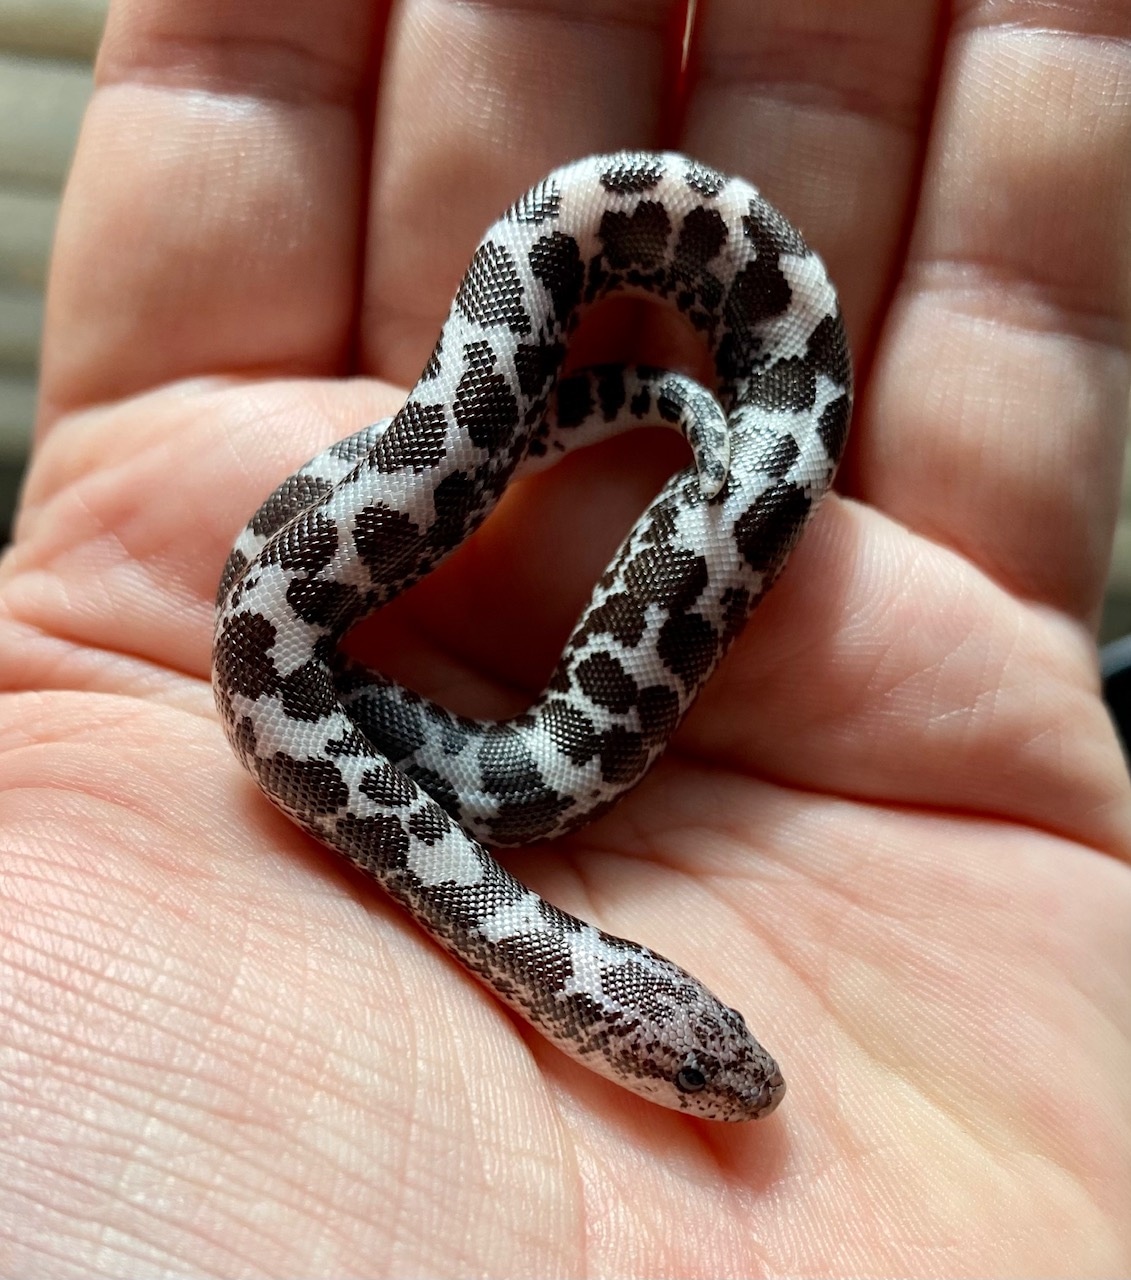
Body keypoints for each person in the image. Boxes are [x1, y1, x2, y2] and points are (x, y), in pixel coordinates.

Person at [2, 0, 1129, 1273]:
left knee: (528, 759)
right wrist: (644, 400)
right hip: (330, 631)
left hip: (328, 631)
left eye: (699, 1062)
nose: (729, 1079)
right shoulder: (435, 826)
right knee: (532, 761)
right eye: (702, 1063)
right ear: (602, 1009)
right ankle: (592, 409)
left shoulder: (376, 769)